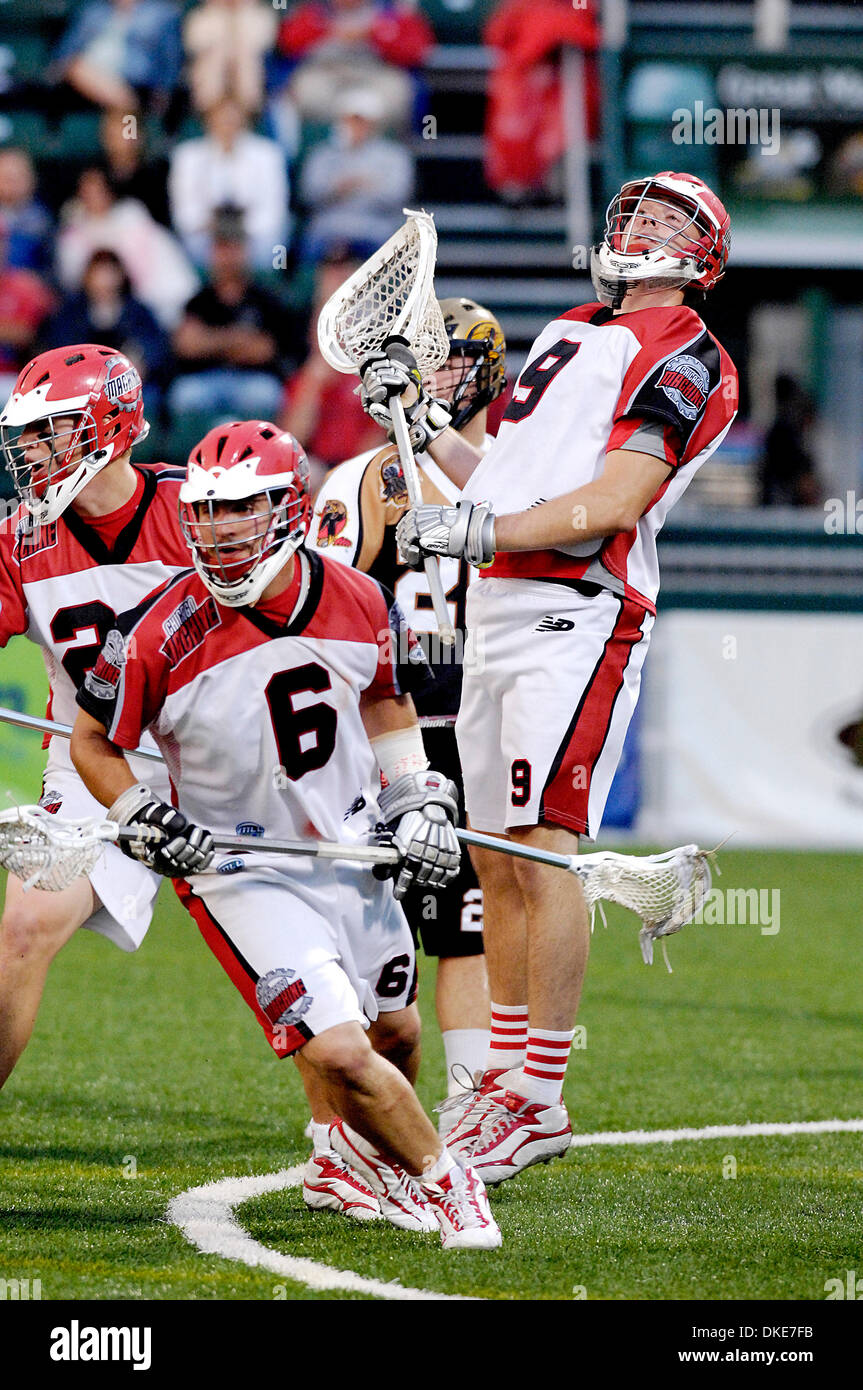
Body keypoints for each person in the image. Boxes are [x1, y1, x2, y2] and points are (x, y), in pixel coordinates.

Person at [360, 171, 739, 1184]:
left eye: (667, 220)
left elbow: (615, 497)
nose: (639, 227)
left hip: (577, 611)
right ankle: (500, 1085)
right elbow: (505, 481)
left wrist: (482, 531)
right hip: (501, 605)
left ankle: (536, 1095)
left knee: (544, 851)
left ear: (701, 255)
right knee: (494, 860)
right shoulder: (570, 326)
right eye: (636, 211)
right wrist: (423, 423)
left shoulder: (689, 355)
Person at [70, 418, 501, 1249]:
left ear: (288, 508)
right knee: (339, 1050)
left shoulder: (356, 595)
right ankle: (452, 1187)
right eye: (203, 512)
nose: (218, 530)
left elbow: (386, 696)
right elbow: (93, 741)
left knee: (396, 1034)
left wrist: (416, 797)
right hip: (239, 867)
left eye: (239, 510)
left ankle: (345, 1161)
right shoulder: (159, 629)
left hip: (349, 845)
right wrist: (138, 815)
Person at [308, 298, 507, 1133]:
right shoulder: (361, 479)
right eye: (430, 361)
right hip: (383, 733)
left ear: (490, 372)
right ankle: (341, 1121)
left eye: (457, 361)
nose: (439, 378)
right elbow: (320, 608)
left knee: (466, 928)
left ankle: (469, 1106)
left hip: (475, 724)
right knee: (352, 932)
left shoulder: (513, 475)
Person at [0, 343, 192, 1092]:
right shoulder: (22, 539)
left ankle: (342, 1145)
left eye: (50, 431)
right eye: (26, 435)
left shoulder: (195, 509)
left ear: (108, 424)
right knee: (22, 928)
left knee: (312, 961)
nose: (29, 452)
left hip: (226, 753)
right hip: (96, 761)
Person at [169, 217, 288, 422]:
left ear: (245, 251)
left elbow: (264, 350)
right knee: (184, 395)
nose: (228, 257)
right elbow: (186, 346)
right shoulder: (198, 300)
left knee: (265, 395)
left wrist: (208, 341)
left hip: (252, 379)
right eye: (222, 248)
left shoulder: (265, 299)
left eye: (234, 248)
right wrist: (238, 339)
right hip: (206, 379)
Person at [279, 252, 383, 487]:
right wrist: (313, 384)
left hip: (364, 468)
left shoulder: (376, 371)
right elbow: (293, 440)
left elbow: (382, 437)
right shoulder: (307, 377)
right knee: (301, 474)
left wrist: (347, 478)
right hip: (320, 468)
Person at [56, 165, 198, 330]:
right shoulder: (72, 232)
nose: (93, 197)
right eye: (87, 191)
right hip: (91, 312)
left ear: (110, 191)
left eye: (98, 190)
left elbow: (165, 276)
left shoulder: (134, 221)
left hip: (140, 307)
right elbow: (71, 280)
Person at [41, 250, 171, 421]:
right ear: (87, 277)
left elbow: (156, 347)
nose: (104, 282)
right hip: (82, 385)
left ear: (121, 276)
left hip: (130, 384)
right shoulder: (71, 313)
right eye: (99, 274)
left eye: (110, 273)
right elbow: (60, 349)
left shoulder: (138, 312)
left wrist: (141, 363)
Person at [168, 96, 289, 271]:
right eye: (222, 120)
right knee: (190, 244)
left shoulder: (268, 154)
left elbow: (275, 210)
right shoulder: (188, 155)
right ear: (209, 121)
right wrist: (214, 228)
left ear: (244, 121)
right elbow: (184, 212)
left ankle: (266, 288)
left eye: (232, 120)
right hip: (206, 233)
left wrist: (239, 231)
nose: (227, 126)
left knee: (275, 243)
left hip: (252, 233)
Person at [299, 86, 412, 262]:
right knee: (314, 244)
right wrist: (338, 188)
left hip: (375, 227)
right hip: (329, 227)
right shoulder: (322, 154)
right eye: (352, 120)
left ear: (374, 124)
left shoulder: (394, 156)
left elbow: (397, 195)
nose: (357, 126)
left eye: (362, 121)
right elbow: (308, 194)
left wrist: (364, 186)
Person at [55, 0, 183, 115]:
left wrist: (165, 90)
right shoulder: (93, 10)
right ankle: (125, 107)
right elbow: (66, 52)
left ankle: (127, 119)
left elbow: (171, 58)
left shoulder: (162, 13)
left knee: (126, 117)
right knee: (76, 67)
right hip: (88, 79)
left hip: (136, 84)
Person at [0, 148, 54, 275]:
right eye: (6, 176)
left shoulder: (44, 221)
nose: (11, 183)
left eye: (18, 176)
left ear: (32, 179)